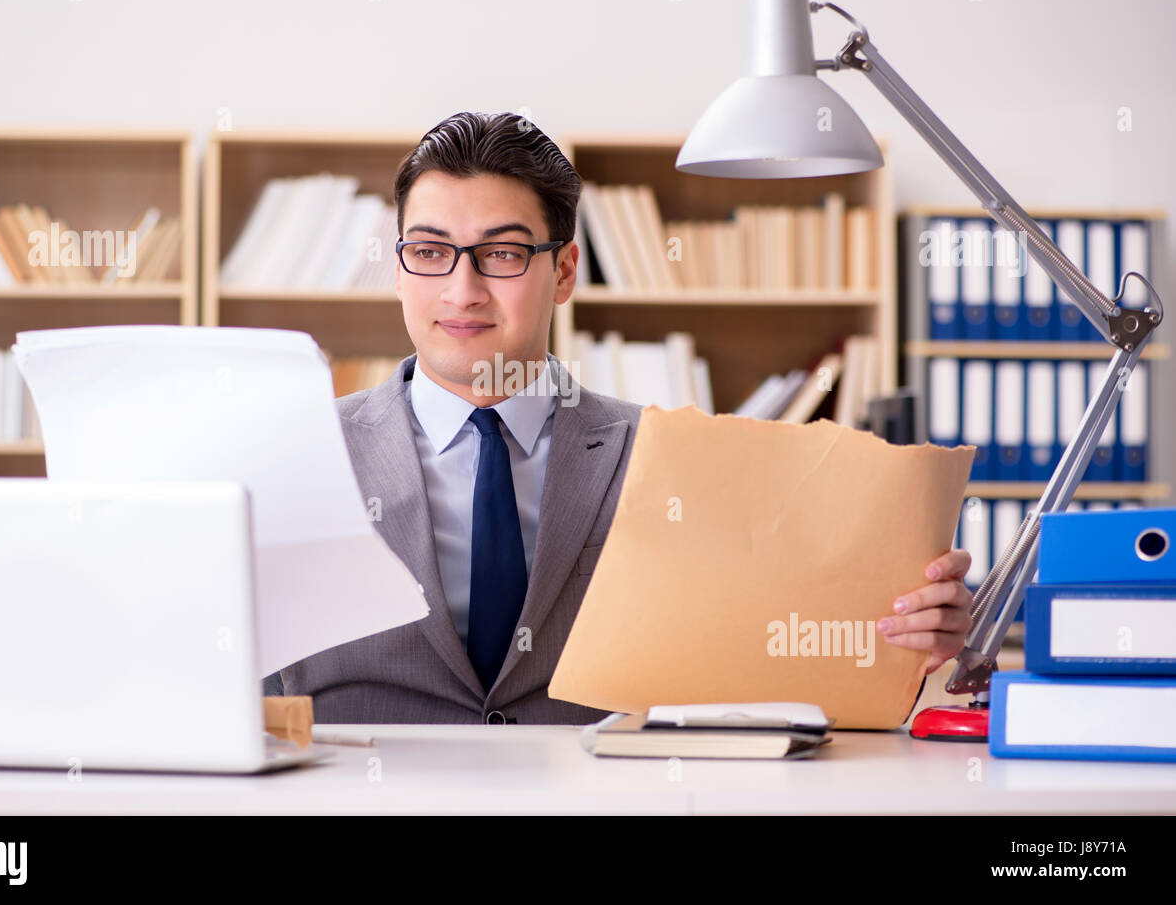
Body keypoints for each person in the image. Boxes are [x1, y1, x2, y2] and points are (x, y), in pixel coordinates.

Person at [271, 111, 973, 724]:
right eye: (429, 252)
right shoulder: (298, 457)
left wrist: (913, 643)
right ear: (397, 270)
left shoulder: (668, 456)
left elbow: (769, 660)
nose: (462, 289)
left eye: (504, 253)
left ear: (567, 270)